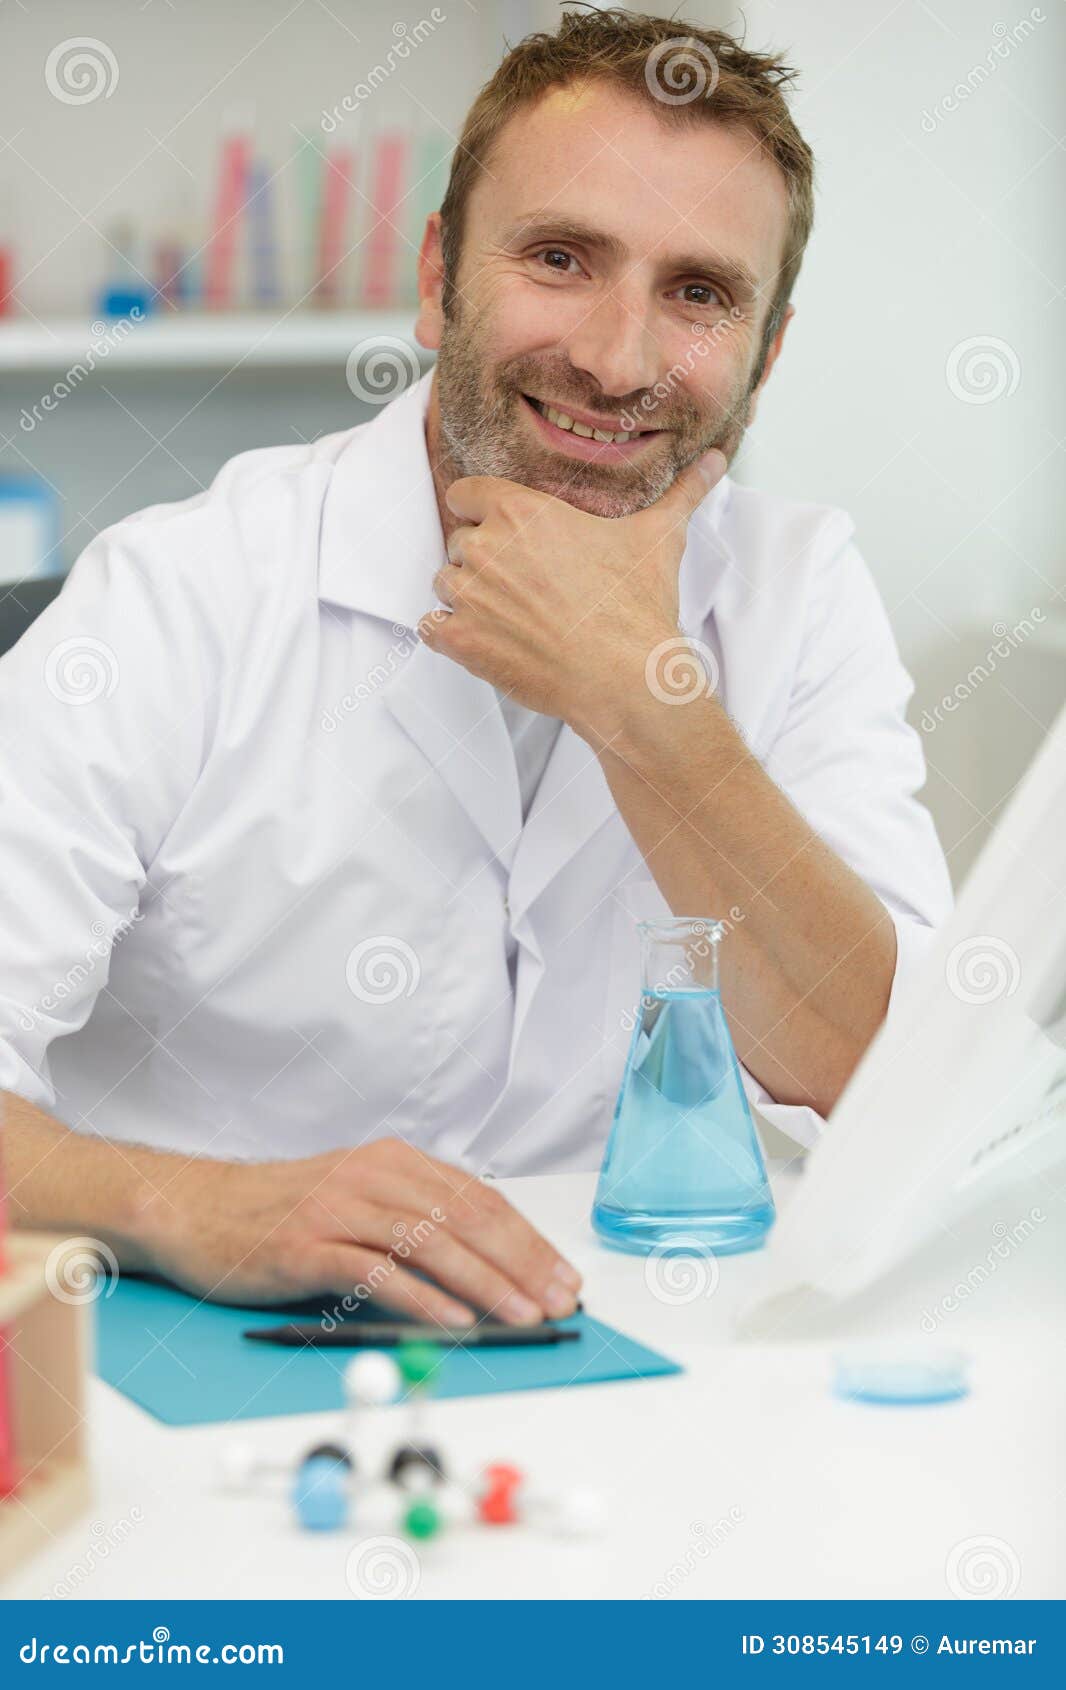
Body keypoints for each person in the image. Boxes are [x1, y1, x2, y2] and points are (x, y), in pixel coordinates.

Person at [0, 10, 952, 1326]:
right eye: (560, 257)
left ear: (765, 351)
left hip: (636, 1383)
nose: (618, 362)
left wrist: (639, 692)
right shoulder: (183, 592)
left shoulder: (797, 591)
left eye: (697, 293)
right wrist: (205, 1206)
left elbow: (893, 1088)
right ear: (438, 270)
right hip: (205, 1379)